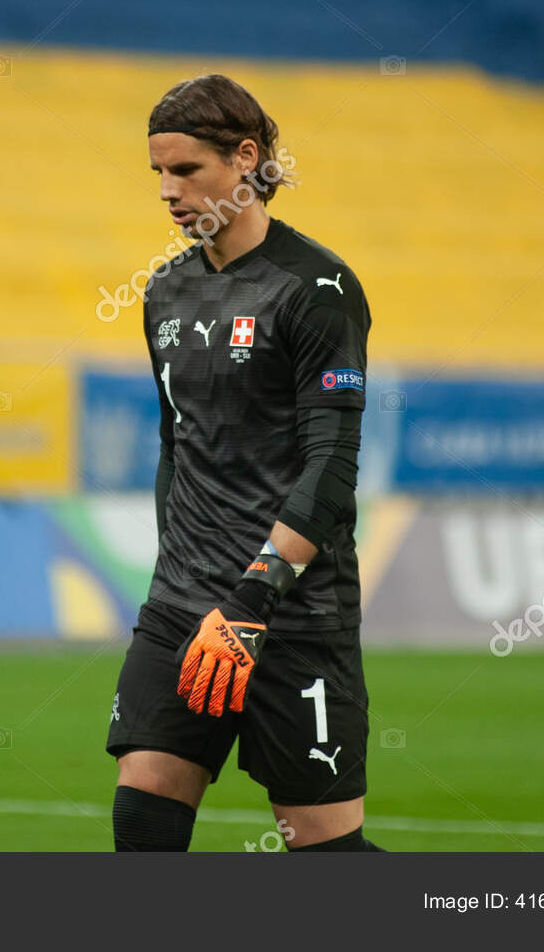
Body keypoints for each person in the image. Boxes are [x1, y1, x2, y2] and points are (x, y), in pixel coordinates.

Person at [106, 74, 381, 852]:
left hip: (292, 613)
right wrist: (179, 570)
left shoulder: (316, 289)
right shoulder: (165, 292)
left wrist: (254, 595)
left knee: (324, 850)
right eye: (159, 172)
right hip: (185, 606)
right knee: (143, 817)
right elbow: (178, 444)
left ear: (246, 158)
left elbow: (331, 466)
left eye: (186, 170)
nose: (168, 190)